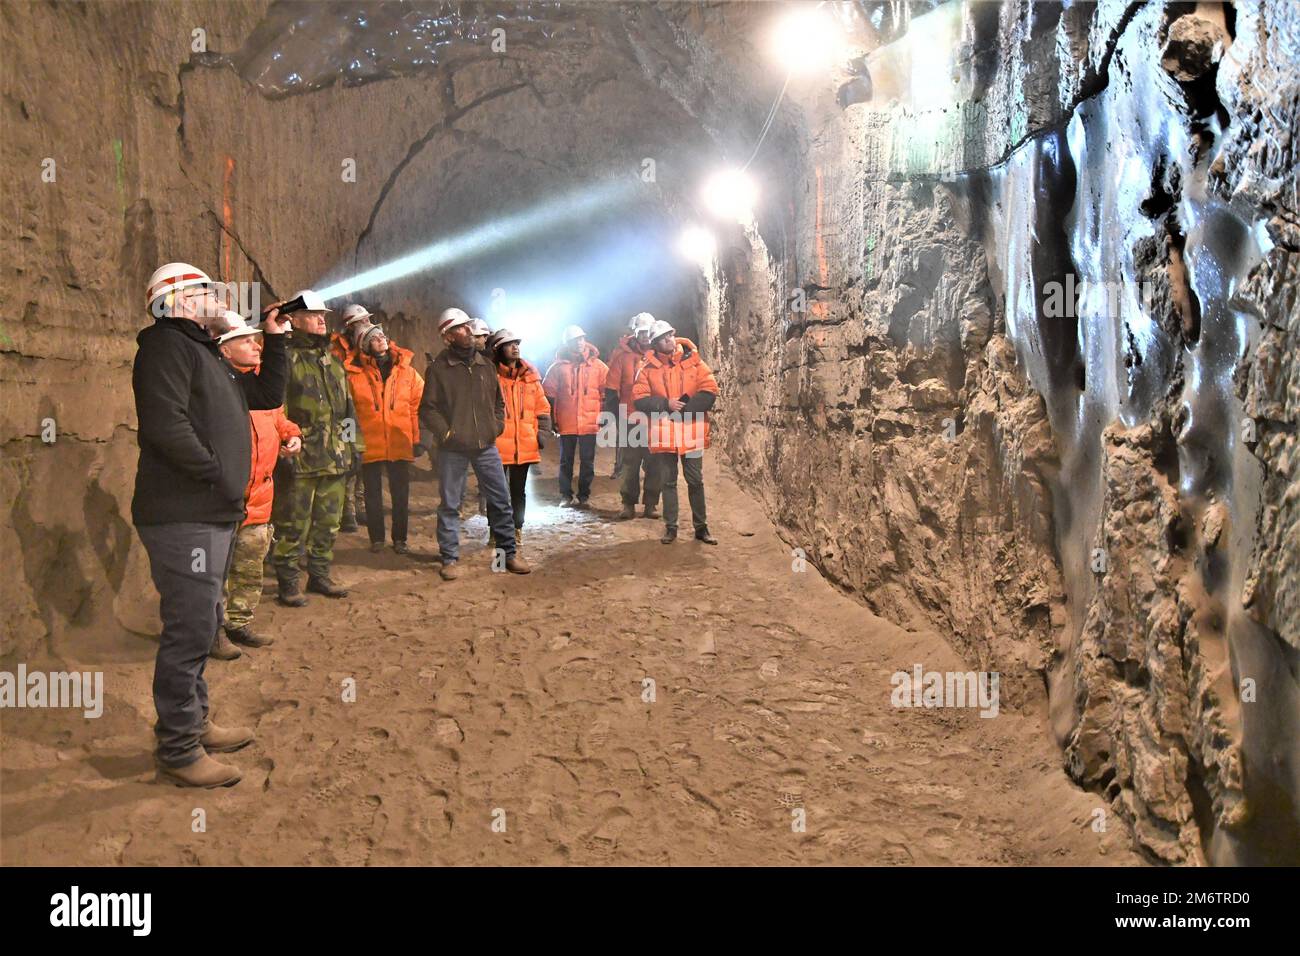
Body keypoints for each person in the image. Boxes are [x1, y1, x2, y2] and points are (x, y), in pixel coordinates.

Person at [132, 261, 288, 788]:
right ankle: (178, 750)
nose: (217, 296)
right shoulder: (164, 347)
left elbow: (265, 396)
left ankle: (194, 723)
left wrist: (274, 339)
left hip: (209, 511)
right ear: (174, 299)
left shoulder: (204, 353)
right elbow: (166, 426)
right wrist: (221, 477)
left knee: (202, 621)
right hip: (183, 514)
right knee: (190, 628)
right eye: (204, 290)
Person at [210, 312, 301, 658]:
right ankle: (214, 631)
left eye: (256, 338)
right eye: (246, 340)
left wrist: (292, 435)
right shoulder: (220, 388)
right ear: (224, 349)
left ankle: (238, 622)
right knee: (217, 571)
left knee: (250, 564)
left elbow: (278, 416)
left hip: (261, 493)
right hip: (228, 493)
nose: (256, 344)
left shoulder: (259, 386)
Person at [416, 308, 531, 580]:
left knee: (501, 500)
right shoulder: (439, 370)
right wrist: (447, 434)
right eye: (460, 328)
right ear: (447, 337)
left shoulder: (485, 365)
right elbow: (428, 409)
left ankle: (507, 555)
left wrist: (496, 426)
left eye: (468, 326)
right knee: (450, 503)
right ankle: (450, 558)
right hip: (453, 448)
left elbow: (497, 402)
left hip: (485, 446)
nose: (468, 331)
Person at [271, 290, 359, 604]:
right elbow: (275, 409)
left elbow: (348, 409)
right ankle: (288, 582)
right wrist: (282, 452)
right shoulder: (284, 360)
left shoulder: (333, 361)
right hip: (300, 459)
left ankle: (319, 575)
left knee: (328, 522)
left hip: (334, 457)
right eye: (313, 315)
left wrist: (353, 448)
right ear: (293, 319)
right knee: (293, 523)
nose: (321, 320)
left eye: (322, 315)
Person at [631, 320, 720, 545]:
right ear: (655, 343)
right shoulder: (647, 368)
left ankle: (701, 527)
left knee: (695, 480)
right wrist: (665, 404)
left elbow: (709, 390)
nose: (668, 340)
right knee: (668, 482)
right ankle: (671, 527)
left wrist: (684, 411)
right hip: (664, 433)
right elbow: (639, 399)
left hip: (691, 431)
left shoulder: (694, 361)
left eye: (670, 335)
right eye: (662, 338)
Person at [344, 324, 423, 555]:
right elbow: (347, 412)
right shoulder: (354, 374)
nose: (381, 339)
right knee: (372, 494)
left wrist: (417, 438)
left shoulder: (406, 371)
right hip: (369, 442)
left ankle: (400, 539)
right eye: (373, 337)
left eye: (382, 335)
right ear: (365, 345)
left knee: (400, 495)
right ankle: (376, 538)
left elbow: (417, 406)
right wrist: (350, 443)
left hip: (400, 440)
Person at [489, 327, 552, 548]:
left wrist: (541, 434)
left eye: (517, 343)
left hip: (524, 443)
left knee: (518, 491)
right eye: (509, 344)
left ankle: (516, 530)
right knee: (496, 492)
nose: (515, 347)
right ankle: (495, 531)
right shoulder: (490, 377)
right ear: (498, 349)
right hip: (497, 444)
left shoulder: (531, 378)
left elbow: (543, 408)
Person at [542, 324, 608, 509]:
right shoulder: (557, 368)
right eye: (574, 340)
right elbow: (549, 396)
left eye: (581, 339)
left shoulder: (599, 367)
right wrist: (552, 420)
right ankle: (566, 495)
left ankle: (584, 495)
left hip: (590, 421)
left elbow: (607, 394)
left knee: (588, 461)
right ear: (568, 343)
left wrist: (603, 416)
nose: (579, 343)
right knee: (566, 460)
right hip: (567, 420)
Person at [605, 312, 659, 519]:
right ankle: (628, 503)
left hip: (655, 419)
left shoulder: (660, 357)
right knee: (630, 463)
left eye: (648, 332)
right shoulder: (623, 358)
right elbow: (611, 389)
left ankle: (651, 504)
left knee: (655, 463)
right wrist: (614, 418)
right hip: (630, 417)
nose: (645, 336)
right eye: (642, 332)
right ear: (635, 333)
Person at [334, 304, 373, 534]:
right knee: (349, 461)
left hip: (366, 414)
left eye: (367, 320)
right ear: (350, 326)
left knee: (364, 460)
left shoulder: (367, 347)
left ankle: (360, 505)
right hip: (347, 413)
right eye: (362, 321)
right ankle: (346, 510)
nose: (367, 325)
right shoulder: (338, 350)